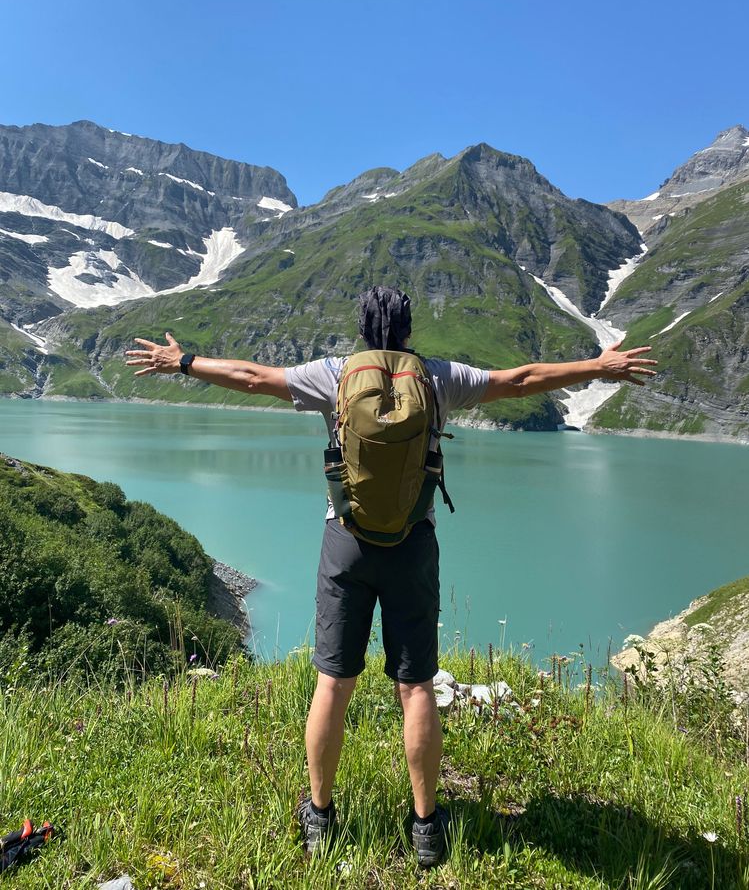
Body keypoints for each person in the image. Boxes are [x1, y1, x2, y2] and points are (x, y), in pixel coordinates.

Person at [126, 286, 657, 867]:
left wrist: (181, 361)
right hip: (413, 543)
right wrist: (599, 366)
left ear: (362, 327)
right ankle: (427, 828)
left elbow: (252, 378)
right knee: (416, 686)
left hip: (346, 543)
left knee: (333, 683)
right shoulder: (437, 377)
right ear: (408, 329)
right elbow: (523, 378)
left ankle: (321, 818)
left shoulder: (334, 374)